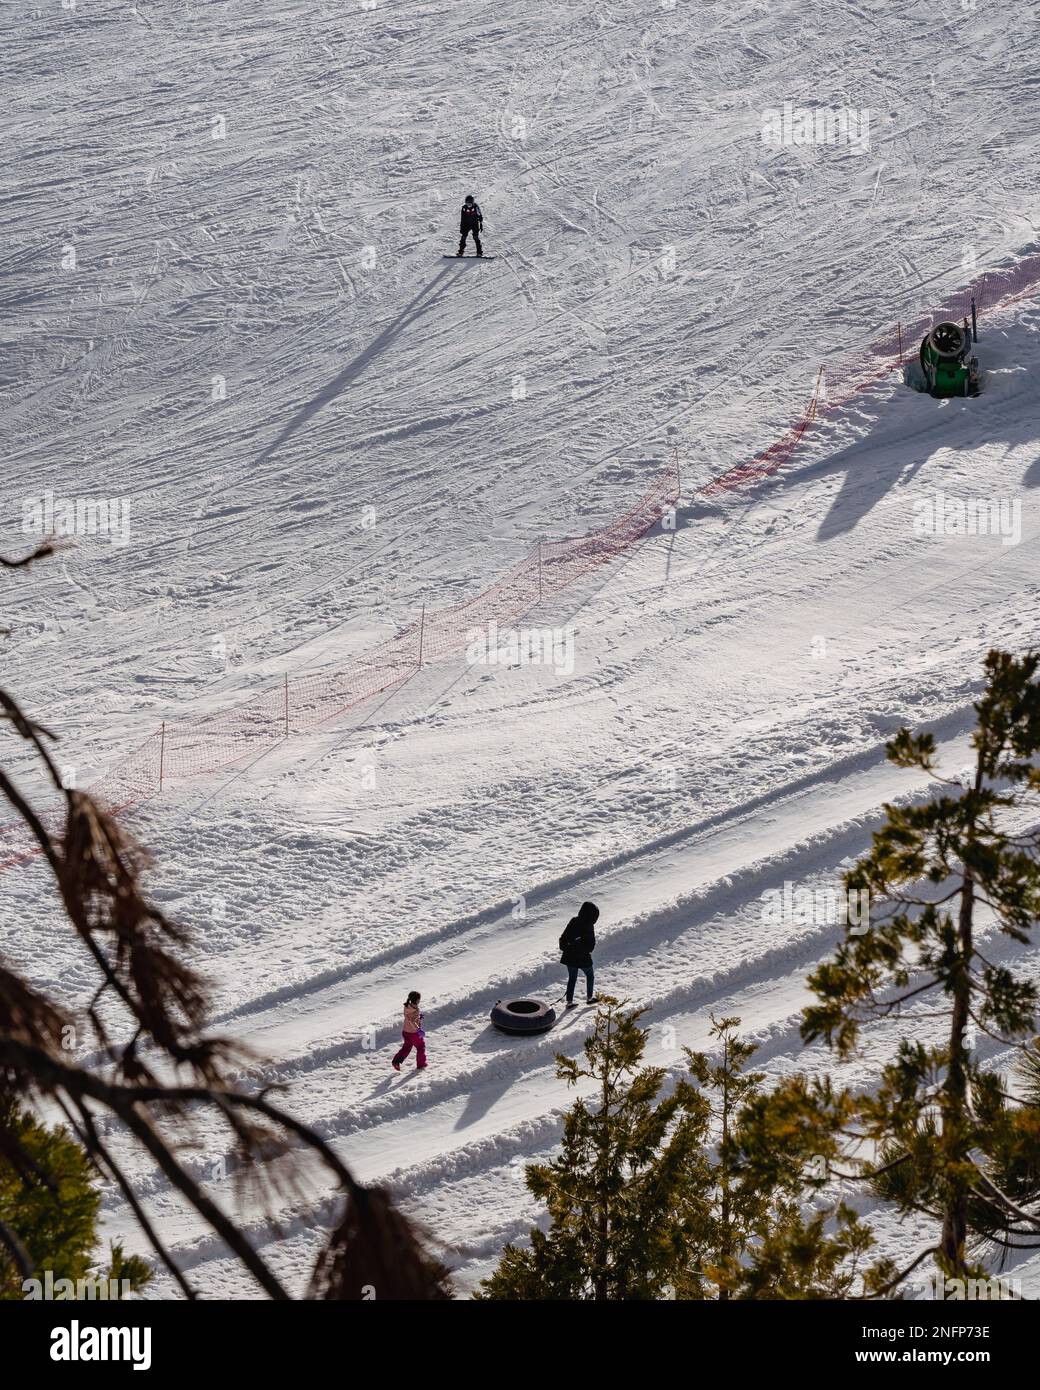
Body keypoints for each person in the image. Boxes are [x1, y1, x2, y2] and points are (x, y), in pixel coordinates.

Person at [559, 901, 599, 1007]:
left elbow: (563, 938)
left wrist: (570, 947)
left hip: (569, 956)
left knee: (572, 978)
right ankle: (589, 997)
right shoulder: (589, 925)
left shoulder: (573, 920)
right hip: (582, 958)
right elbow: (590, 946)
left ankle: (569, 1002)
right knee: (590, 975)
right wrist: (583, 950)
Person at [392, 990, 427, 1071]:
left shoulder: (407, 1006)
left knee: (406, 1047)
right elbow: (412, 1021)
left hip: (405, 1031)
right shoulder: (415, 1010)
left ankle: (396, 1061)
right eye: (419, 999)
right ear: (417, 1000)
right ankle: (421, 1065)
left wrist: (418, 1017)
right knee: (420, 1047)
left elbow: (409, 1018)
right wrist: (418, 1029)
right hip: (413, 1033)